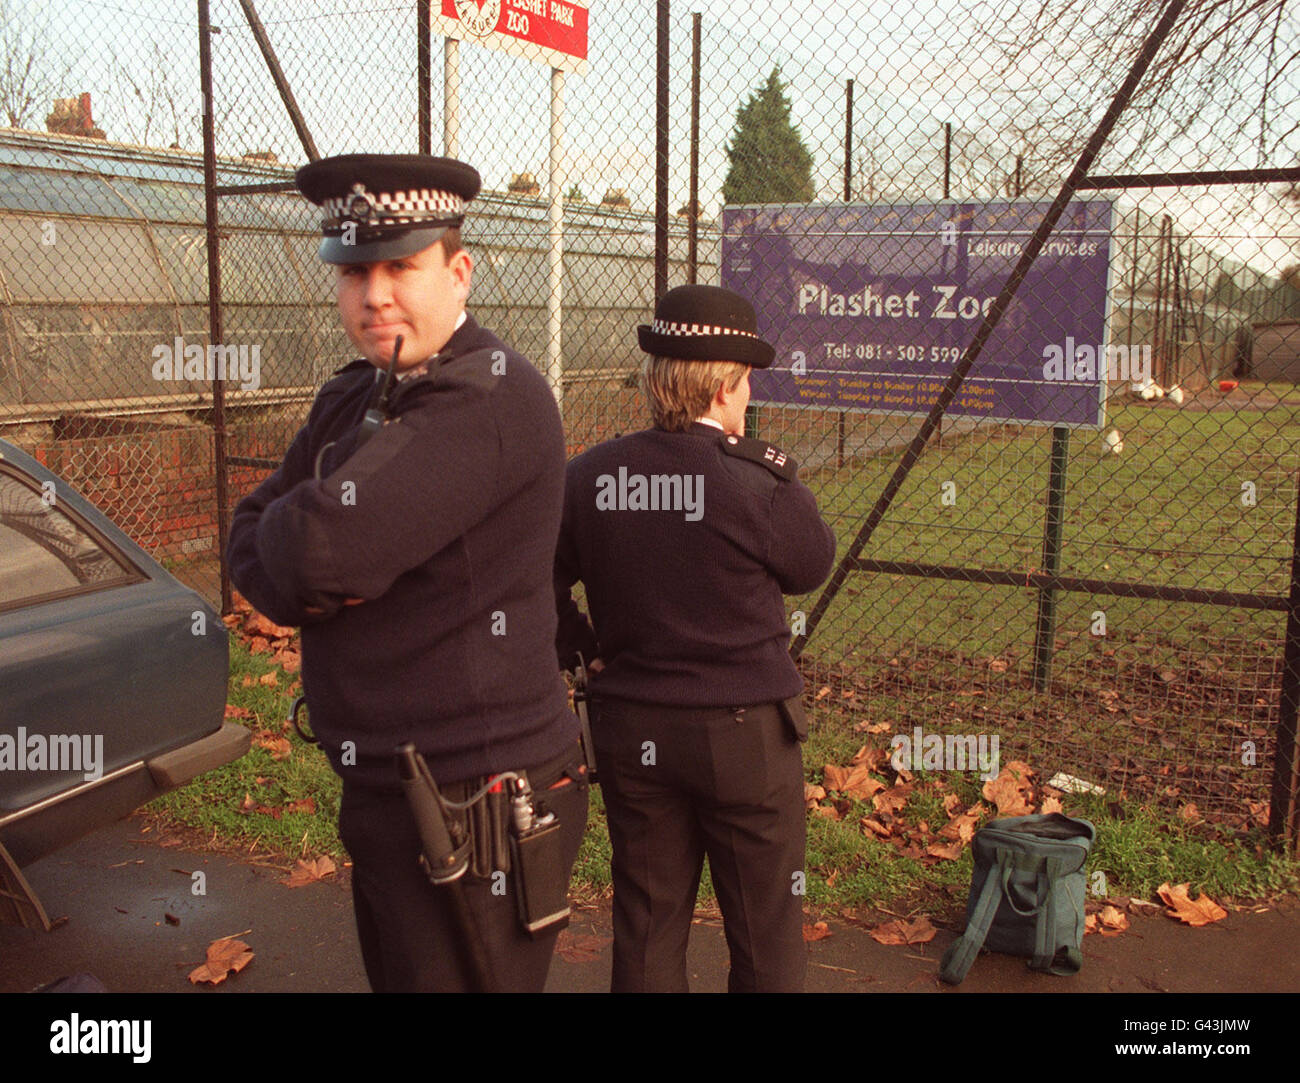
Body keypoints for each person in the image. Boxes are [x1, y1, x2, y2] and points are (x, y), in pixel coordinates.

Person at [227, 153, 587, 993]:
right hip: (388, 783)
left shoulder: (490, 397)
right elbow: (261, 544)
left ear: (459, 272)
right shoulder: (354, 396)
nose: (375, 293)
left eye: (402, 265)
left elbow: (313, 551)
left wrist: (313, 547)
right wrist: (310, 550)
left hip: (476, 797)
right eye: (354, 271)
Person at [554, 284, 837, 992]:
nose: (748, 402)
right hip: (745, 740)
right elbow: (811, 563)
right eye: (745, 387)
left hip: (632, 731)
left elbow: (532, 580)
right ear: (722, 387)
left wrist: (582, 646)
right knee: (765, 932)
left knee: (647, 925)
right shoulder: (754, 481)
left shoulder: (591, 476)